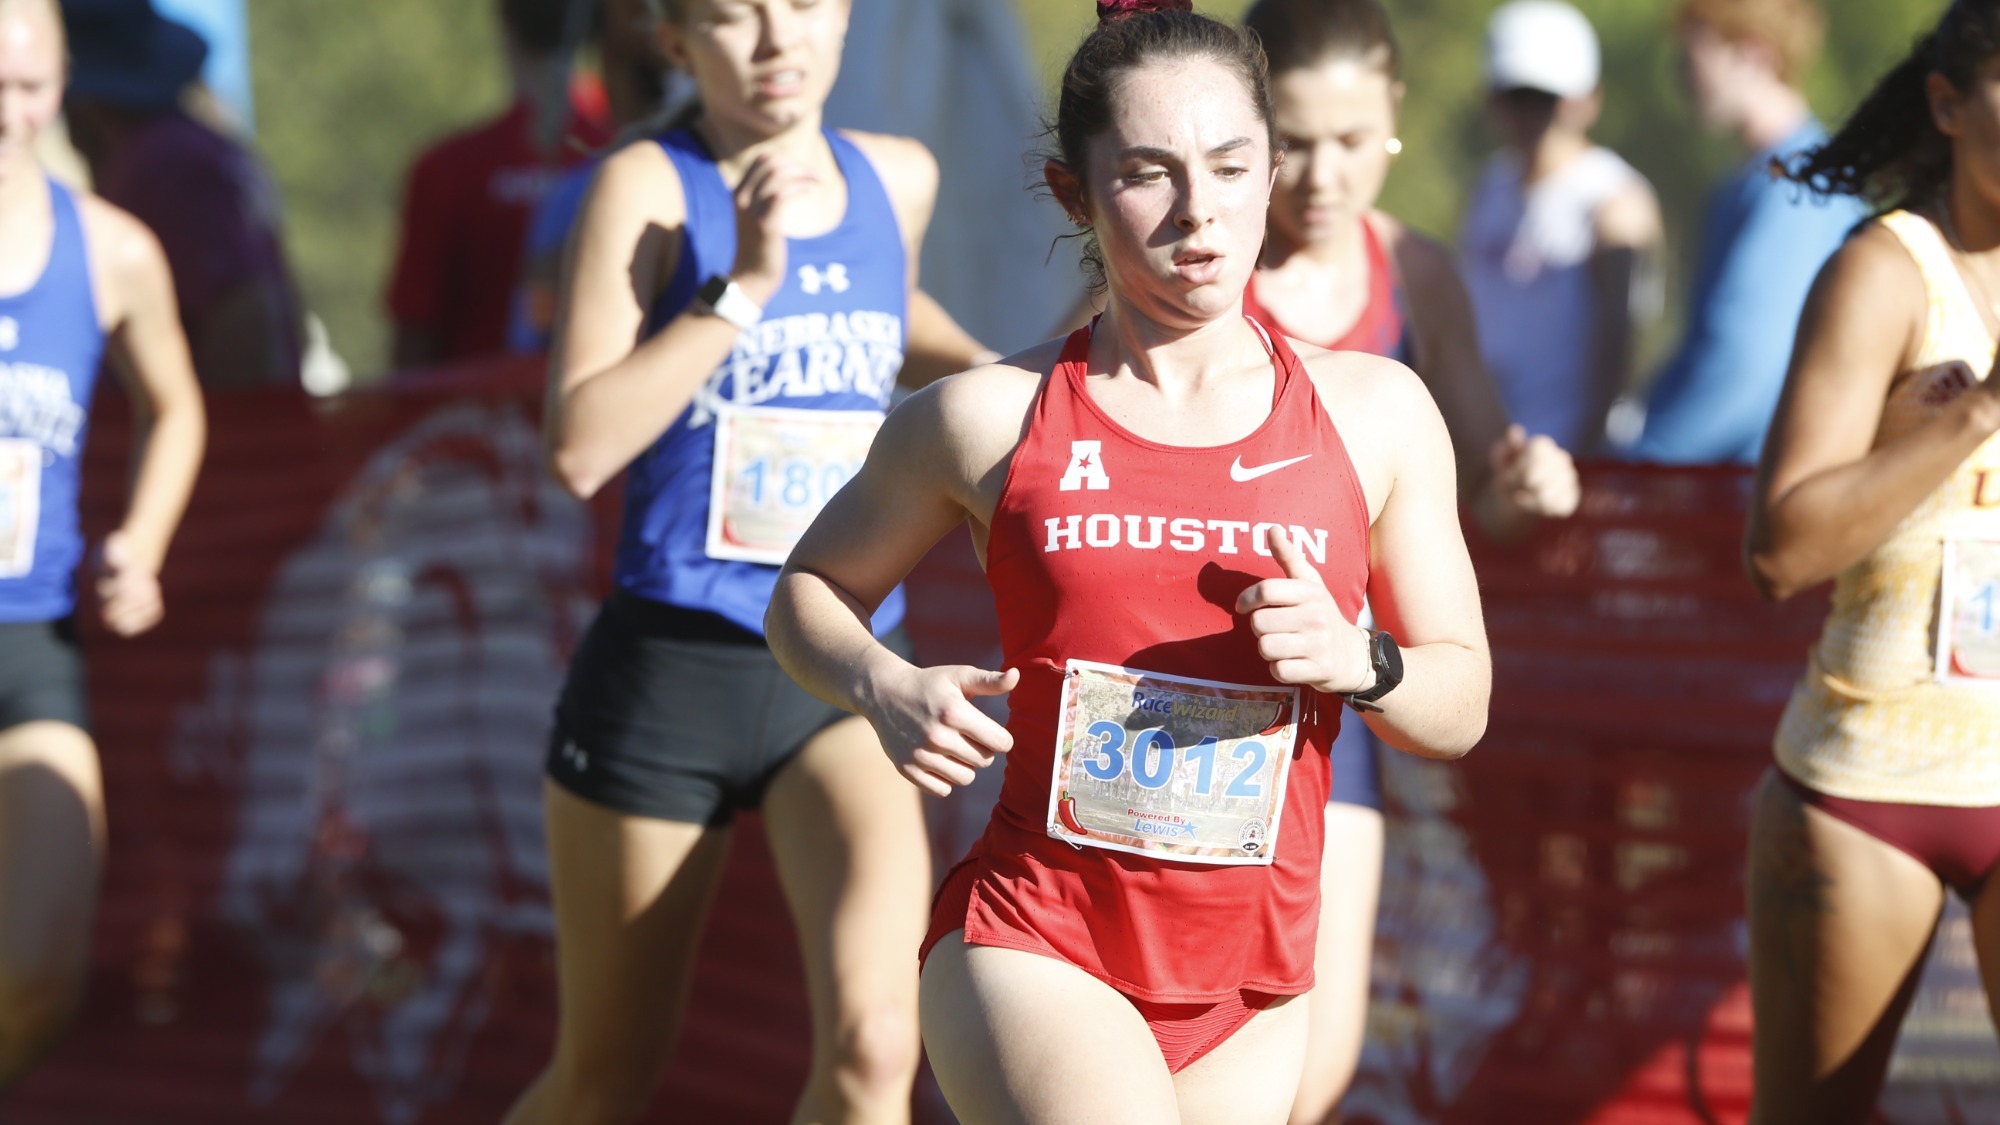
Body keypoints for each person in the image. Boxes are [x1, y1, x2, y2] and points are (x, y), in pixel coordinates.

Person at [765, 3, 1491, 1120]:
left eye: (1229, 166)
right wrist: (882, 685)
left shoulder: (1375, 414)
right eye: (1149, 173)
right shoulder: (982, 419)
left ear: (1268, 171)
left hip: (1248, 981)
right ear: (1075, 194)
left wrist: (1361, 660)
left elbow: (1461, 697)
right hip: (1036, 938)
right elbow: (806, 595)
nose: (1197, 211)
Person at [505, 0, 991, 1121]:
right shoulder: (646, 185)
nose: (778, 42)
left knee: (877, 1050)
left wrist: (1010, 377)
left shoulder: (896, 179)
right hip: (672, 671)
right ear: (672, 41)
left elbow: (881, 304)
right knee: (603, 1082)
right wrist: (744, 287)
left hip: (842, 667)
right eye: (734, 17)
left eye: (805, 6)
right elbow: (579, 447)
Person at [1234, 2, 1577, 1119]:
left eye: (1351, 141)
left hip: (1341, 715)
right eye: (1291, 141)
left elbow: (1482, 490)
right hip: (1182, 695)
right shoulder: (1190, 258)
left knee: (1311, 1072)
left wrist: (1529, 485)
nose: (1322, 175)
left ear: (1391, 120)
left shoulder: (1413, 273)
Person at [1744, 2, 2000, 1120]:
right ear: (1946, 104)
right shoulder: (1886, 272)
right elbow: (1777, 552)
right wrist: (1968, 417)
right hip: (1865, 786)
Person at [0, 0, 205, 1089]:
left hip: (32, 642)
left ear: (66, 81)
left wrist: (143, 537)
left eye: (29, 88)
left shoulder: (113, 249)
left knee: (38, 978)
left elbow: (177, 406)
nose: (10, 116)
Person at [1625, 0, 1866, 464]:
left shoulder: (1796, 187)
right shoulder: (1756, 182)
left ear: (1754, 52)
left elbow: (1743, 367)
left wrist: (1643, 462)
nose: (1682, 73)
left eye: (1692, 53)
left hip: (1745, 506)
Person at [59, 0, 300, 388]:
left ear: (85, 105)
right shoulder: (197, 148)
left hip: (209, 434)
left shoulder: (162, 163)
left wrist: (228, 436)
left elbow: (245, 316)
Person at [1459, 0, 1662, 454]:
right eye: (1517, 96)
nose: (1531, 115)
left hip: (1572, 457)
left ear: (1586, 101)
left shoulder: (1614, 202)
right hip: (1488, 452)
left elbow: (1621, 351)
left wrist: (1585, 459)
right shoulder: (1489, 188)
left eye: (1545, 99)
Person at [386, 0, 609, 370]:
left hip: (475, 419)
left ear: (503, 19)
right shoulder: (624, 160)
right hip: (587, 410)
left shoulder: (448, 167)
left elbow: (413, 339)